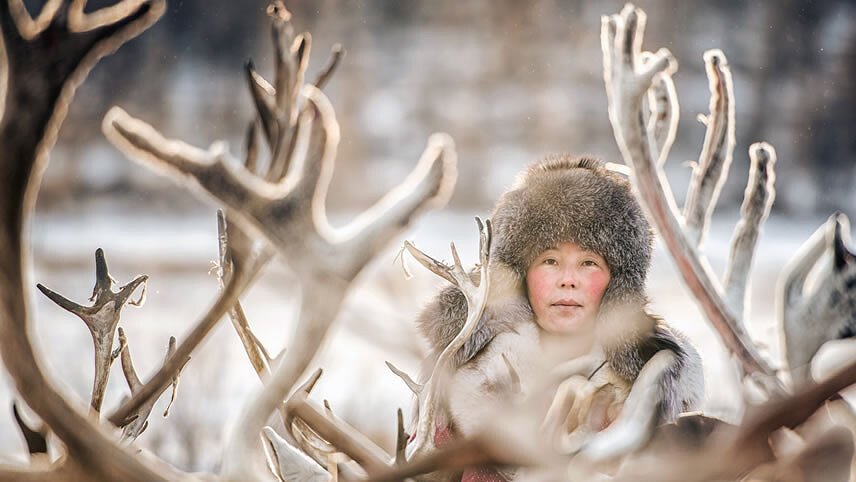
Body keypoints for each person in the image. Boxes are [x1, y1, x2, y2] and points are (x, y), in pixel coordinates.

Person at [411, 154, 704, 480]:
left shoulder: (658, 382)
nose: (568, 280)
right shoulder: (459, 374)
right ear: (520, 274)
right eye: (550, 261)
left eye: (588, 263)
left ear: (618, 282)